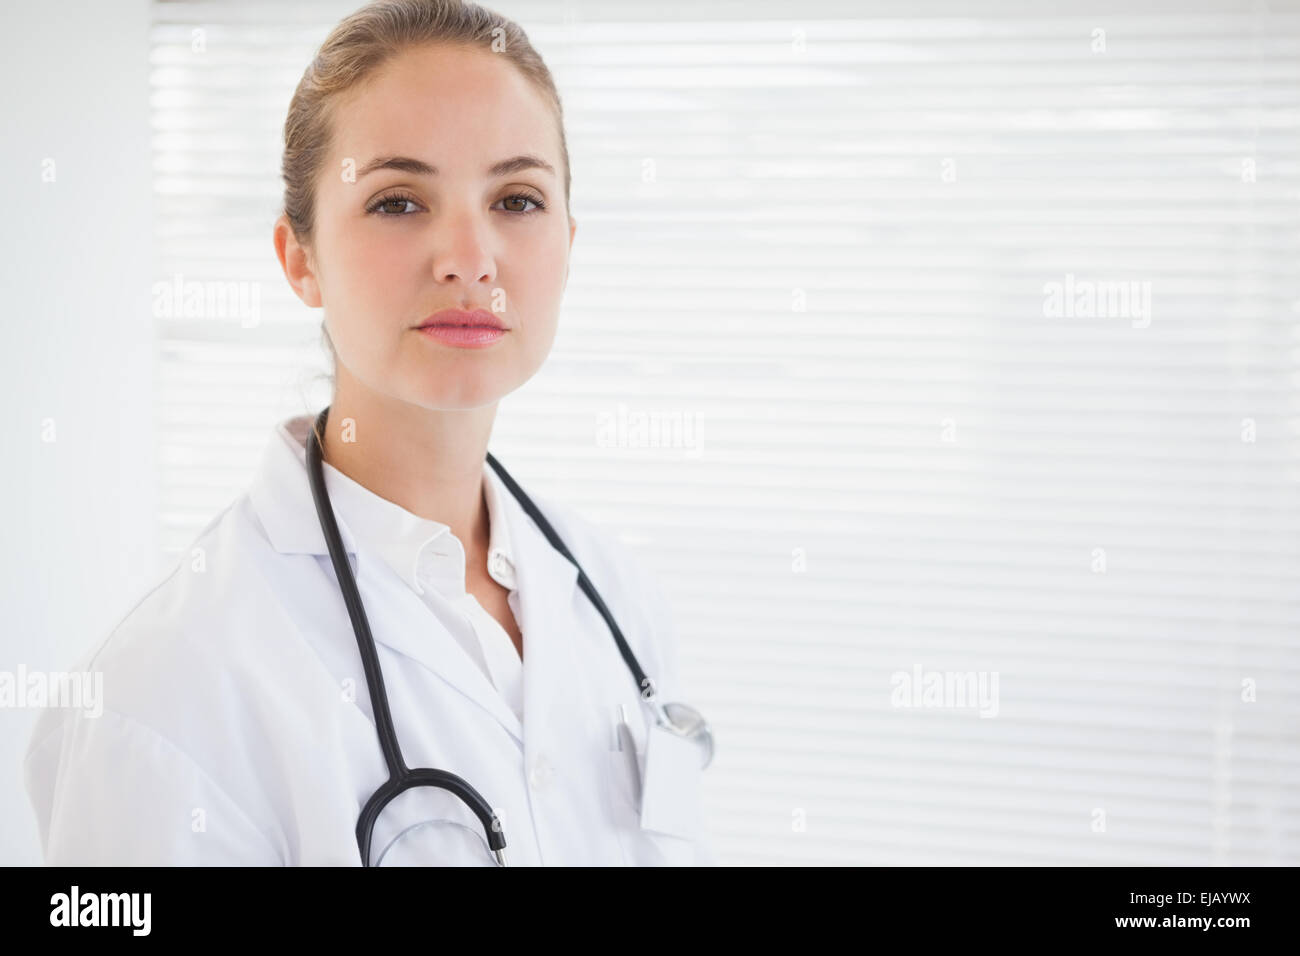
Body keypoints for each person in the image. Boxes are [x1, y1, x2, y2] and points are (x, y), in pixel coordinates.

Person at [23, 0, 715, 866]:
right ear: (298, 259)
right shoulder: (162, 695)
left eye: (516, 197)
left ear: (569, 244)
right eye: (397, 201)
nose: (469, 256)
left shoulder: (616, 598)